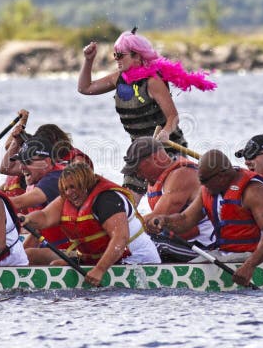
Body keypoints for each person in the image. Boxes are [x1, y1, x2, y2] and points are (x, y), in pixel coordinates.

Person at [77, 28, 215, 201]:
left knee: (170, 200)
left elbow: (173, 117)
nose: (116, 60)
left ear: (137, 56)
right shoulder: (117, 78)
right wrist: (88, 60)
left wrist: (165, 132)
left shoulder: (153, 82)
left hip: (166, 149)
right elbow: (85, 88)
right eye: (115, 55)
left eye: (121, 55)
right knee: (127, 202)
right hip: (139, 151)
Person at [146, 150, 263, 286]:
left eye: (205, 181)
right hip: (226, 254)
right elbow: (185, 220)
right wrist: (165, 221)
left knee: (192, 278)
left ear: (222, 176)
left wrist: (250, 265)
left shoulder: (254, 191)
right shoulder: (208, 189)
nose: (202, 186)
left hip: (259, 258)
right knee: (189, 270)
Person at [21, 162, 160, 286]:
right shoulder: (67, 199)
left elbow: (120, 239)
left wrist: (99, 270)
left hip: (136, 260)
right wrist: (26, 219)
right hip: (100, 259)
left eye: (73, 187)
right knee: (54, 265)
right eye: (66, 188)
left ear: (86, 184)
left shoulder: (107, 200)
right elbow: (45, 217)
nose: (69, 193)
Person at [121, 137, 214, 262]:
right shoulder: (154, 180)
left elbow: (156, 217)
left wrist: (118, 232)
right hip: (182, 242)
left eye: (138, 169)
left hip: (204, 248)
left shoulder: (182, 175)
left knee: (150, 246)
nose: (137, 175)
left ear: (155, 158)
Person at [7, 136, 72, 265]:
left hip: (73, 251)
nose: (22, 168)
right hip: (54, 248)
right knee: (16, 255)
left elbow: (18, 202)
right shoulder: (37, 181)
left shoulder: (57, 178)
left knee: (27, 255)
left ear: (47, 162)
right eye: (21, 162)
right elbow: (37, 230)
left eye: (28, 162)